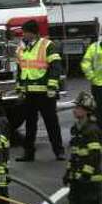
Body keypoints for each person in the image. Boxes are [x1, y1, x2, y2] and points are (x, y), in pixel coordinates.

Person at [62, 91, 102, 204]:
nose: (75, 110)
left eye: (78, 108)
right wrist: (68, 172)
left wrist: (86, 174)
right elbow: (75, 155)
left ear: (87, 110)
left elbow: (94, 156)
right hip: (77, 178)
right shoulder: (77, 129)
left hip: (90, 180)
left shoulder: (92, 130)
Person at [15, 20, 65, 161]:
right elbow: (20, 70)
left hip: (45, 92)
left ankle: (59, 151)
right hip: (29, 93)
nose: (23, 35)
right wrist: (20, 89)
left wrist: (52, 86)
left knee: (51, 123)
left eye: (25, 32)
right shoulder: (21, 48)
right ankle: (28, 153)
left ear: (33, 33)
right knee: (30, 125)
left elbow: (56, 67)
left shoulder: (47, 45)